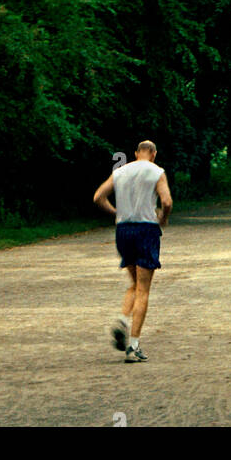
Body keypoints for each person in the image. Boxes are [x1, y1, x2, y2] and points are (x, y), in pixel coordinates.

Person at [93, 139, 173, 363]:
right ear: (154, 154)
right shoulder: (156, 171)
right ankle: (133, 346)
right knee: (144, 289)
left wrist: (116, 212)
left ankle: (122, 319)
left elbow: (98, 196)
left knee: (135, 284)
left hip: (123, 231)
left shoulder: (121, 171)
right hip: (146, 230)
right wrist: (163, 220)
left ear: (136, 153)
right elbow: (166, 201)